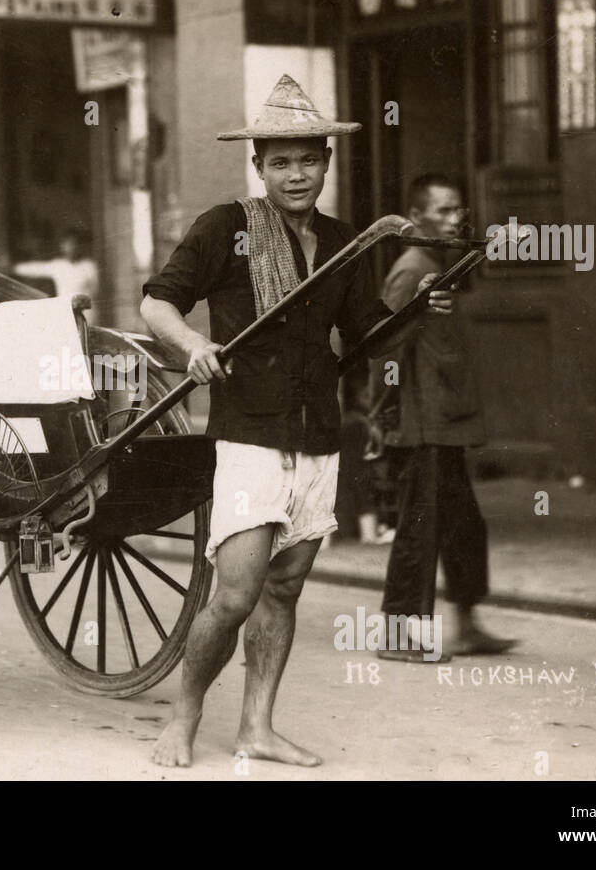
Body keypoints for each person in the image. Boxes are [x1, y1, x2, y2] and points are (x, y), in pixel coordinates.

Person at [139, 75, 455, 768]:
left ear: (326, 163)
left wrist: (414, 314)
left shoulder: (345, 242)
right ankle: (184, 715)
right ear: (258, 167)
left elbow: (365, 333)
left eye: (308, 159)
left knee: (284, 590)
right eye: (279, 162)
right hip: (249, 434)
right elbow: (157, 302)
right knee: (237, 591)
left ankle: (257, 725)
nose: (296, 175)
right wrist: (192, 347)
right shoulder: (226, 227)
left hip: (317, 435)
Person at [371, 174, 517, 661]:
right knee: (420, 526)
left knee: (463, 525)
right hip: (420, 425)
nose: (458, 218)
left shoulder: (443, 264)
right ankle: (395, 633)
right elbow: (379, 346)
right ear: (418, 218)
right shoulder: (413, 268)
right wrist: (384, 420)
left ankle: (468, 623)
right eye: (446, 210)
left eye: (459, 210)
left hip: (445, 422)